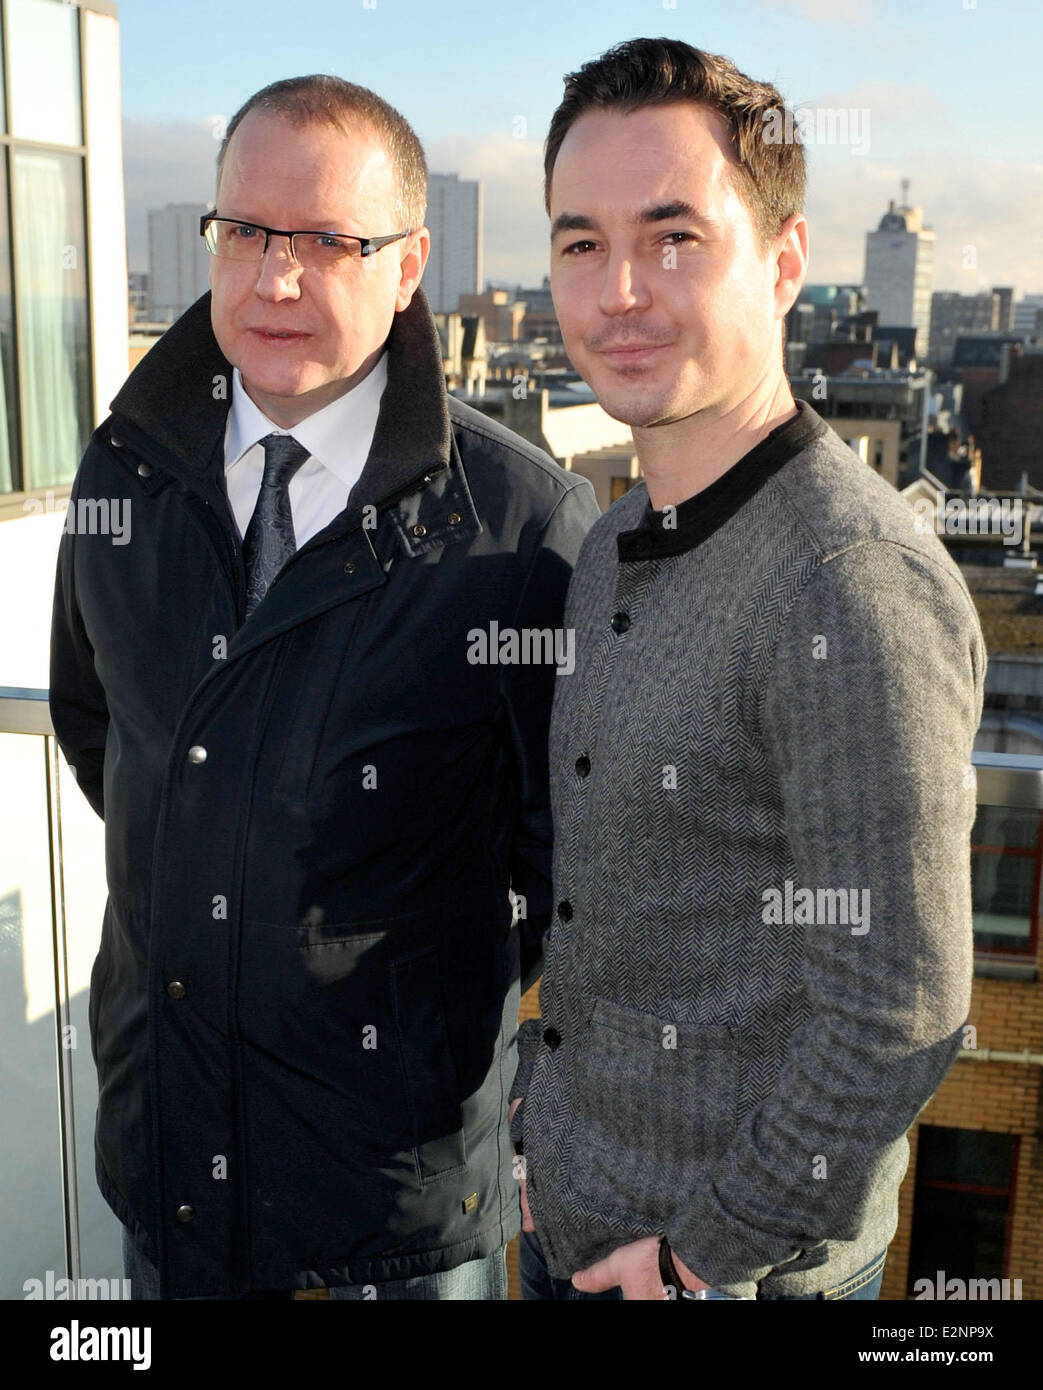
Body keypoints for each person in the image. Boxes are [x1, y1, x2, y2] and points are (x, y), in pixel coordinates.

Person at [49, 74, 598, 1300]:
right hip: (168, 1171)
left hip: (387, 1221)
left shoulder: (515, 529)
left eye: (324, 243)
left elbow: (569, 858)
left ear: (407, 267)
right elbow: (102, 731)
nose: (272, 278)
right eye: (241, 231)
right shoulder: (125, 468)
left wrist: (398, 1006)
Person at [510, 37, 986, 1302]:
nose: (618, 289)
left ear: (781, 265)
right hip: (572, 1230)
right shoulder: (611, 540)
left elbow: (898, 1007)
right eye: (578, 242)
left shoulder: (847, 580)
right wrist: (535, 1124)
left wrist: (698, 1253)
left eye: (673, 236)